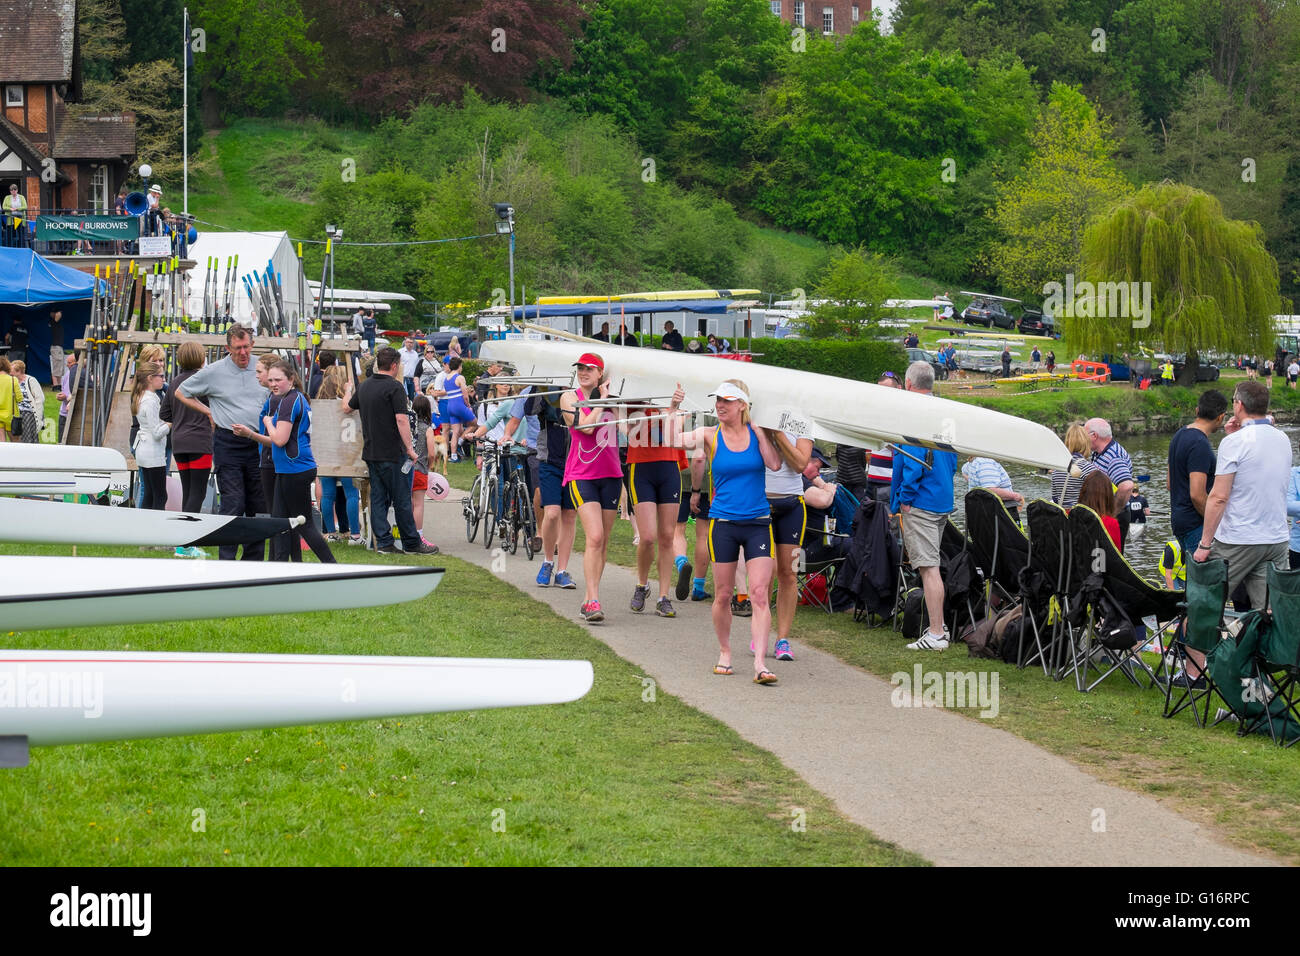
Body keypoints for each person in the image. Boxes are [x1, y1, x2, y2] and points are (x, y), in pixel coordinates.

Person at [674, 379, 783, 683]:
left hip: (758, 522)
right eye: (717, 400)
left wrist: (761, 433)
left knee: (759, 593)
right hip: (723, 523)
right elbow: (672, 438)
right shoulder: (710, 435)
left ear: (742, 405)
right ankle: (725, 651)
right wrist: (674, 407)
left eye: (727, 401)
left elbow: (774, 464)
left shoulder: (756, 434)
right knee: (723, 594)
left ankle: (760, 663)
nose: (720, 405)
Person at [173, 325, 270, 561]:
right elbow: (181, 392)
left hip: (258, 441)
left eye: (246, 347)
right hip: (229, 442)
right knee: (232, 501)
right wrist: (208, 412)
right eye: (237, 348)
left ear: (253, 344)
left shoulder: (263, 368)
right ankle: (227, 557)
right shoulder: (214, 371)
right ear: (228, 348)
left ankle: (253, 558)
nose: (243, 353)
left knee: (257, 504)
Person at [1193, 381, 1292, 611]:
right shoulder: (1283, 440)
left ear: (1238, 405)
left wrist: (1205, 545)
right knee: (1269, 611)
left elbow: (1218, 497)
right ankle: (1270, 647)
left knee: (1206, 602)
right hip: (1276, 539)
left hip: (1239, 539)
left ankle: (1195, 647)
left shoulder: (1233, 443)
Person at [233, 361, 336, 564]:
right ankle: (279, 568)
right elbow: (277, 442)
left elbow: (279, 439)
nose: (273, 384)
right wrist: (251, 434)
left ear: (291, 379)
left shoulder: (290, 400)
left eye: (278, 379)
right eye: (270, 380)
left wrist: (268, 424)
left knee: (303, 523)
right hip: (287, 468)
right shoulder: (288, 399)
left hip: (296, 468)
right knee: (280, 522)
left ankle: (332, 566)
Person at [891, 361, 958, 651]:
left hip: (921, 501)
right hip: (942, 497)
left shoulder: (915, 414)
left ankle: (936, 632)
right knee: (931, 565)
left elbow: (914, 463)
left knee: (928, 568)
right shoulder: (945, 412)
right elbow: (953, 458)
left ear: (908, 384)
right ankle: (939, 627)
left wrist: (905, 499)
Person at [343, 347, 438, 555]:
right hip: (394, 453)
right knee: (402, 498)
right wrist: (411, 449)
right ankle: (412, 543)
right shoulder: (395, 388)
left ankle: (384, 542)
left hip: (372, 451)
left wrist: (348, 390)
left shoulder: (365, 386)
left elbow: (347, 408)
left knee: (378, 497)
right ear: (394, 366)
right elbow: (401, 419)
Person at [560, 352, 624, 623]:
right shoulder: (569, 397)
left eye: (590, 369)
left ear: (600, 374)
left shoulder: (613, 398)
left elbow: (628, 428)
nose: (583, 372)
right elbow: (585, 428)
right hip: (580, 475)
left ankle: (590, 597)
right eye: (580, 368)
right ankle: (594, 598)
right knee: (595, 537)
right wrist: (602, 401)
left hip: (611, 474)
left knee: (604, 540)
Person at [626, 392, 689, 618]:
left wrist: (671, 406)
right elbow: (631, 430)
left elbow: (675, 432)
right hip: (641, 466)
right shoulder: (633, 398)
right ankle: (641, 585)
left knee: (666, 535)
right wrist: (643, 403)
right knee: (648, 536)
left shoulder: (676, 400)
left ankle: (663, 596)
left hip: (668, 467)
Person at [766, 425, 814, 663]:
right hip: (760, 503)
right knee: (765, 572)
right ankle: (761, 631)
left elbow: (800, 465)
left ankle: (782, 639)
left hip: (793, 506)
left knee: (789, 573)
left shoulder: (802, 422)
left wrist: (776, 434)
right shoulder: (757, 414)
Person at [531, 386, 578, 590]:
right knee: (551, 513)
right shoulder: (547, 391)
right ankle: (548, 561)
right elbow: (528, 408)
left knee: (569, 515)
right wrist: (543, 385)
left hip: (575, 462)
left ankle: (562, 571)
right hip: (549, 460)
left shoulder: (581, 393)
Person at [161, 343, 213, 522]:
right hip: (200, 442)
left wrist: (181, 416)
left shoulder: (175, 381)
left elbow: (164, 413)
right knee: (198, 492)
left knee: (188, 490)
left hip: (179, 443)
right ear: (201, 358)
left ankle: (183, 541)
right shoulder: (205, 380)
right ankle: (187, 544)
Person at [316, 365, 363, 545]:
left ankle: (331, 533)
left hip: (325, 450)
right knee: (351, 493)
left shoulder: (319, 401)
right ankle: (355, 535)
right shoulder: (345, 401)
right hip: (345, 450)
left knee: (328, 494)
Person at [1085, 417, 1135, 541]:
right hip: (1103, 514)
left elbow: (1127, 486)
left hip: (1114, 516)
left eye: (1084, 435)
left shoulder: (1114, 456)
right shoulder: (1099, 453)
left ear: (1094, 436)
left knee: (1111, 558)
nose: (1083, 439)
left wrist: (1112, 513)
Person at [131, 362, 171, 510]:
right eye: (161, 376)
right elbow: (156, 433)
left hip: (145, 449)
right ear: (150, 378)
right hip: (152, 452)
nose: (163, 379)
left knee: (150, 493)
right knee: (160, 495)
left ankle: (145, 525)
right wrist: (170, 423)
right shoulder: (150, 400)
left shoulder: (143, 396)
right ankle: (155, 527)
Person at [1050, 424, 1101, 509]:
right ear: (1086, 443)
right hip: (1081, 518)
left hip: (1063, 518)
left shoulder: (1057, 468)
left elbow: (1055, 499)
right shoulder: (1089, 469)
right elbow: (1099, 499)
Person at [962, 456, 1024, 523]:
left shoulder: (974, 462)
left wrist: (976, 481)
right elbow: (990, 491)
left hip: (982, 513)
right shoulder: (986, 462)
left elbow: (964, 471)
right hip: (997, 514)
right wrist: (1016, 496)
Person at [441, 356, 476, 463]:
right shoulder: (460, 377)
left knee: (455, 431)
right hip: (459, 405)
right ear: (459, 366)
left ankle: (454, 456)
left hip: (450, 406)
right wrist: (468, 405)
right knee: (475, 424)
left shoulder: (446, 378)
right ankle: (461, 441)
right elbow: (465, 395)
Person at [1077, 470, 1121, 551]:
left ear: (1084, 492)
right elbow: (1116, 556)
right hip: (1100, 562)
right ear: (1108, 496)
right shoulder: (1111, 523)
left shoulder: (1072, 517)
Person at [10, 361, 42, 444]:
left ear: (18, 371)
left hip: (29, 413)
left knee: (28, 438)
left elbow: (40, 398)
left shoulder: (31, 380)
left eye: (12, 370)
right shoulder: (13, 381)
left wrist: (39, 416)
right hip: (16, 413)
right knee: (17, 436)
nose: (10, 372)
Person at [56, 351, 77, 442]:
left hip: (70, 412)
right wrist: (62, 394)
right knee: (61, 441)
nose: (67, 365)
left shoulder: (77, 373)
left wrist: (65, 396)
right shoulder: (68, 373)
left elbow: (74, 393)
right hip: (63, 412)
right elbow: (66, 390)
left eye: (69, 363)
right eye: (67, 362)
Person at [399, 336, 419, 400]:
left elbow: (416, 367)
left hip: (412, 379)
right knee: (403, 397)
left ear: (413, 344)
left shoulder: (415, 354)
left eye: (411, 342)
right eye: (408, 342)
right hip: (403, 378)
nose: (409, 344)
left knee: (411, 397)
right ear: (405, 343)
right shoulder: (400, 352)